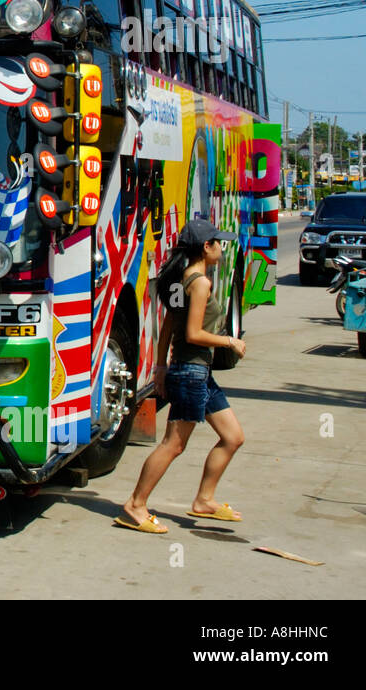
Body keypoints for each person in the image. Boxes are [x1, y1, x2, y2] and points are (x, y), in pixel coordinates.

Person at [116, 219, 248, 533]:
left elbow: (168, 330)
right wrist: (229, 341)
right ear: (206, 247)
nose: (221, 248)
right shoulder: (199, 282)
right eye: (217, 242)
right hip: (191, 373)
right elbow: (192, 333)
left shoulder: (181, 280)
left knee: (233, 437)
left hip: (195, 372)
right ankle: (135, 505)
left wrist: (161, 367)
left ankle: (204, 500)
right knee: (173, 445)